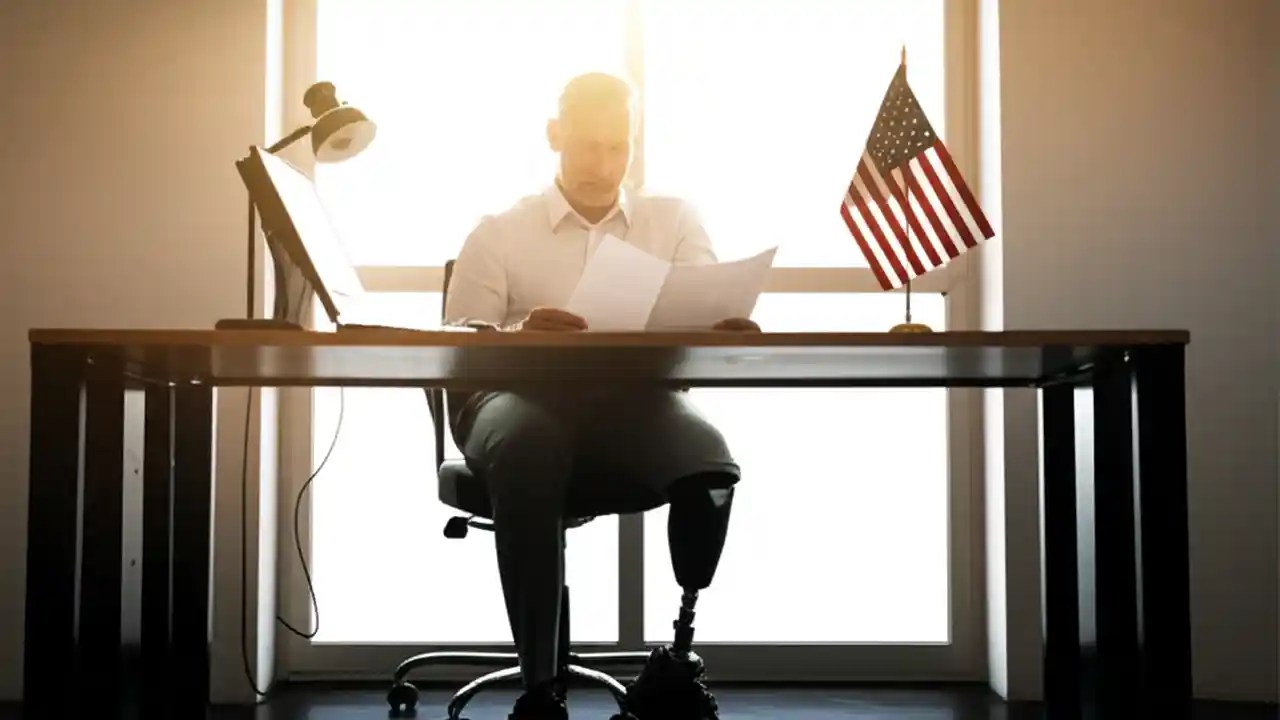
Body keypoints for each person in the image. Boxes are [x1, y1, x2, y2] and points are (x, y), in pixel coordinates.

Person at [443, 72, 758, 720]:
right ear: (554, 136)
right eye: (588, 146)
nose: (605, 164)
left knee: (709, 462)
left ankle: (674, 661)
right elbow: (457, 346)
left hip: (633, 406)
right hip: (511, 400)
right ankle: (539, 690)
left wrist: (718, 325)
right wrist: (517, 333)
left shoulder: (673, 220)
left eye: (619, 147)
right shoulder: (499, 231)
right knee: (531, 446)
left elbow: (699, 308)